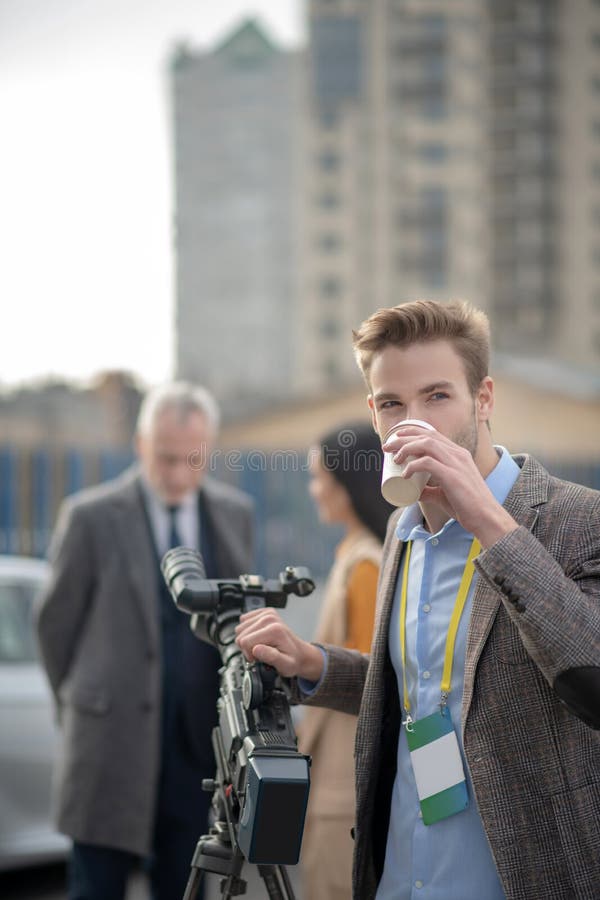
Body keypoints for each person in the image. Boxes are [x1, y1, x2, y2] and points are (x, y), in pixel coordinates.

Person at [235, 300, 600, 900]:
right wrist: (314, 664)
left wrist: (485, 516)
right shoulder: (401, 533)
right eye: (392, 403)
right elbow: (423, 690)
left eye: (437, 397)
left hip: (520, 877)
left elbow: (589, 672)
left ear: (483, 399)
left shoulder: (577, 520)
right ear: (373, 414)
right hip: (402, 874)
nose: (415, 421)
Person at [36, 382, 255, 900]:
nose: (178, 473)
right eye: (165, 458)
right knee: (97, 887)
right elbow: (54, 627)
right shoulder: (89, 516)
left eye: (192, 459)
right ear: (139, 444)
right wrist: (80, 707)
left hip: (198, 753)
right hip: (107, 748)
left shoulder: (235, 513)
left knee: (186, 886)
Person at [299, 423, 393, 900]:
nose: (314, 489)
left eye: (320, 477)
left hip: (343, 779)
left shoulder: (366, 566)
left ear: (347, 483)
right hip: (332, 775)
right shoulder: (354, 556)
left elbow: (365, 681)